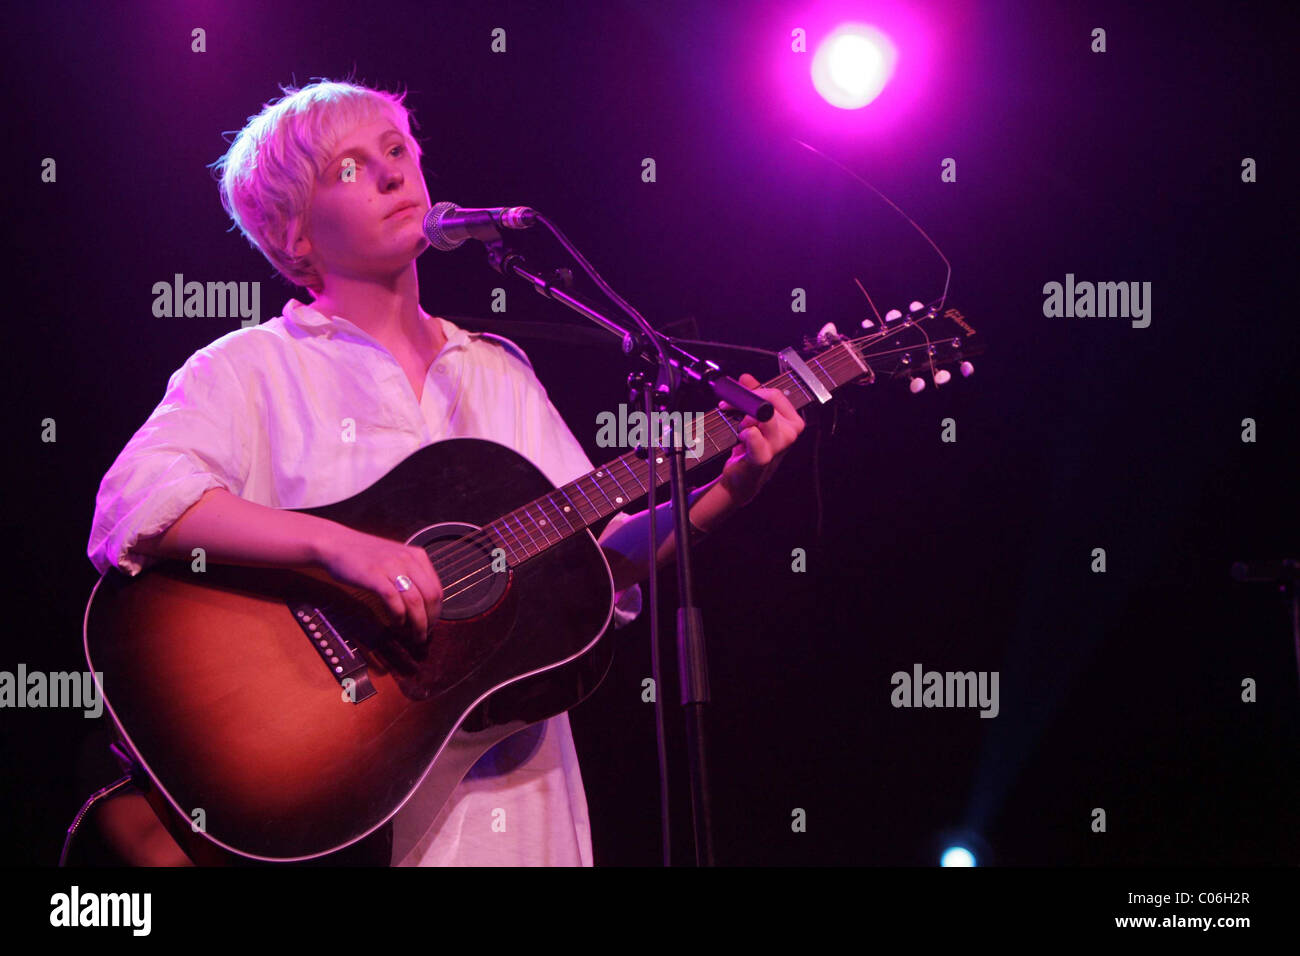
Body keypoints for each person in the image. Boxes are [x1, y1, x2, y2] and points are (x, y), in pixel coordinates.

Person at [85, 79, 804, 866]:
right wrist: (336, 547)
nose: (394, 175)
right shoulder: (250, 369)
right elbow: (138, 503)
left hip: (525, 821)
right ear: (295, 236)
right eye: (351, 168)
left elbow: (593, 563)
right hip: (351, 816)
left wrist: (727, 490)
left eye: (398, 151)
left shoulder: (497, 371)